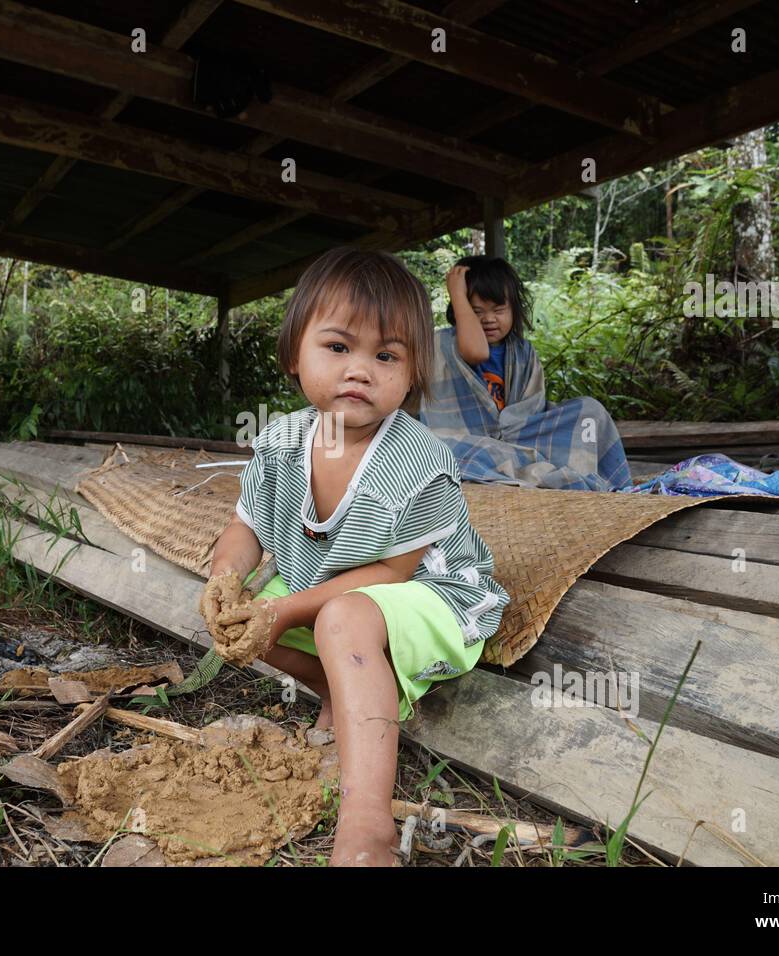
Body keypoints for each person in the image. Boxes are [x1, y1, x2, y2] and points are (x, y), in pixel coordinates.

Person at [201, 247, 510, 866]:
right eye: (338, 348)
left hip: (436, 600)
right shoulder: (281, 442)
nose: (360, 370)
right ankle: (351, 692)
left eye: (386, 356)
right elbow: (245, 531)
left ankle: (366, 827)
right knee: (239, 623)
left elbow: (392, 572)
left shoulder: (415, 456)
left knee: (338, 616)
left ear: (413, 372)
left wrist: (286, 607)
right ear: (295, 354)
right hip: (334, 603)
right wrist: (224, 579)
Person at [422, 255, 631, 491]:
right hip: (467, 440)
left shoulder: (523, 352)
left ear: (514, 309)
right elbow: (476, 351)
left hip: (518, 436)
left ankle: (608, 488)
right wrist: (457, 294)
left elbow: (532, 409)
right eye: (476, 310)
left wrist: (508, 432)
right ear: (460, 311)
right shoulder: (441, 345)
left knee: (590, 410)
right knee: (463, 450)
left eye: (498, 310)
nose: (488, 319)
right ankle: (529, 465)